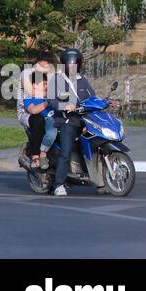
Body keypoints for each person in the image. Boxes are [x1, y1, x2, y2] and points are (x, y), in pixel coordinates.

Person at [49, 48, 99, 197]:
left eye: (75, 64)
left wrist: (105, 102)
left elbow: (92, 97)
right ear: (64, 64)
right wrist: (65, 106)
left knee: (97, 145)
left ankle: (100, 180)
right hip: (67, 120)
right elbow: (52, 100)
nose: (73, 67)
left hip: (83, 120)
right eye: (70, 64)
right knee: (66, 151)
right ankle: (58, 184)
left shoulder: (82, 80)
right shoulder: (57, 80)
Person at [16, 48, 57, 170]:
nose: (48, 66)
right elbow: (34, 94)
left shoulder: (50, 74)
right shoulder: (28, 74)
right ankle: (35, 155)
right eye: (45, 63)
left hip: (46, 108)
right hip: (27, 111)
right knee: (39, 120)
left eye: (50, 63)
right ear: (39, 62)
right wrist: (49, 98)